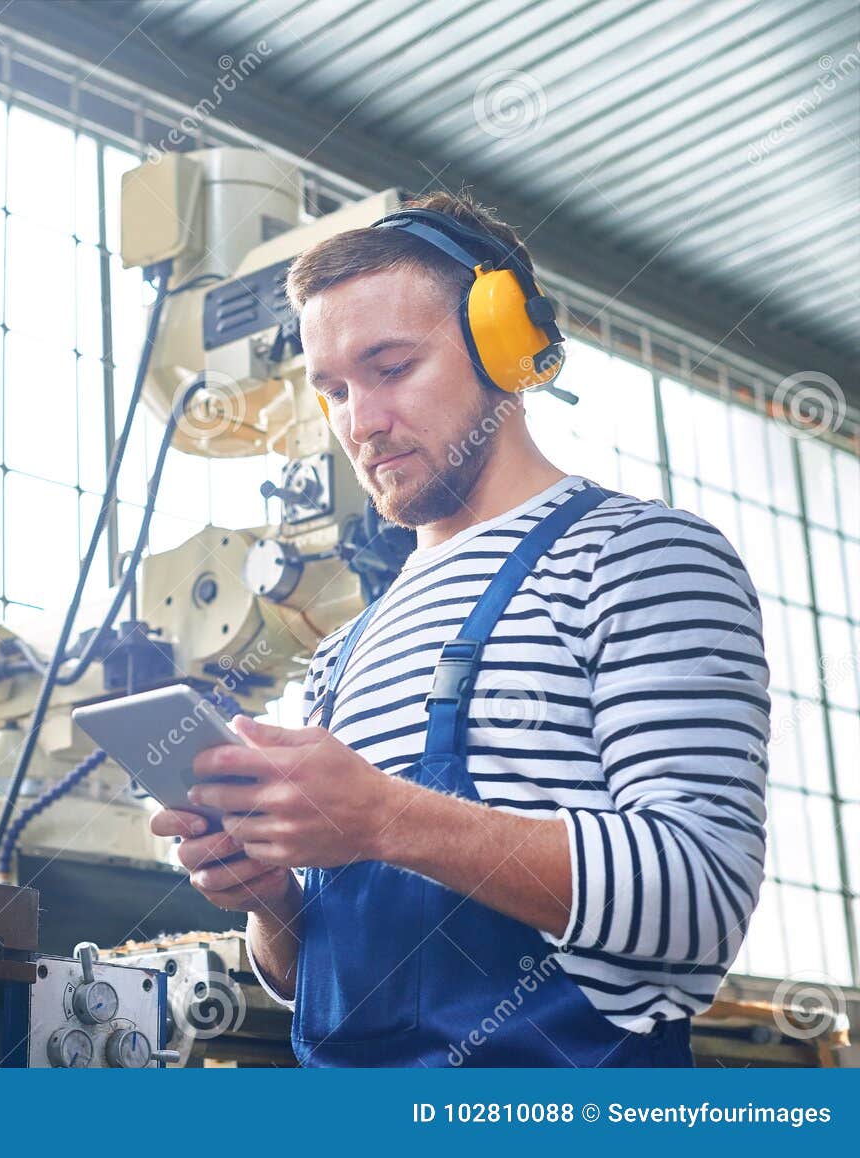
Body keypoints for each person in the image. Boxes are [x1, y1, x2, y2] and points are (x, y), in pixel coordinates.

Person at [151, 191, 770, 1067]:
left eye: (393, 367)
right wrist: (271, 898)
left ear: (502, 346)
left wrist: (385, 818)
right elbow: (300, 973)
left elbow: (701, 900)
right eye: (333, 390)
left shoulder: (638, 555)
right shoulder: (344, 650)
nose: (359, 422)